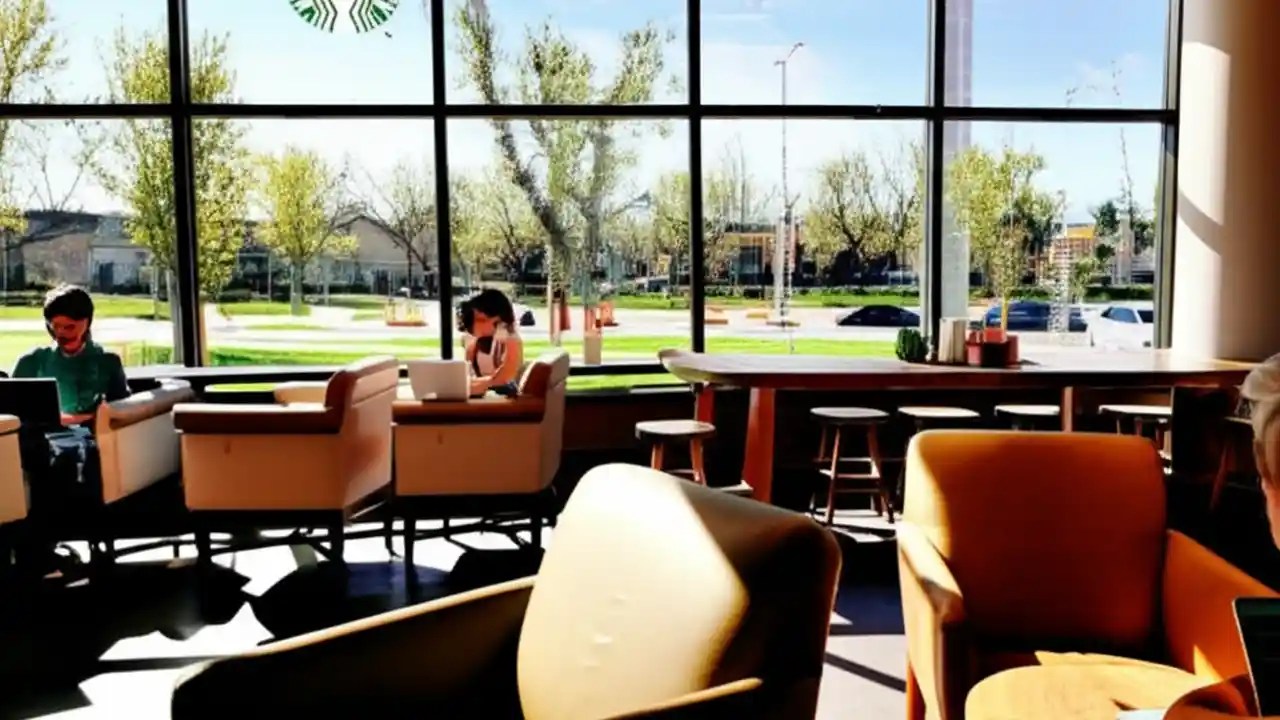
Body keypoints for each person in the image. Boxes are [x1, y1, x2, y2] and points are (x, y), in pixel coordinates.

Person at [12, 285, 130, 426]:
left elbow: (121, 415)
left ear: (87, 323)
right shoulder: (31, 362)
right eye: (56, 326)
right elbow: (12, 417)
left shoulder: (108, 363)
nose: (62, 334)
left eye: (70, 327)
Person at [458, 289, 524, 398]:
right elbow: (469, 373)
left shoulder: (511, 340)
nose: (477, 325)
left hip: (505, 398)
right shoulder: (472, 341)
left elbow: (506, 377)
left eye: (482, 320)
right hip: (483, 395)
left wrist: (479, 385)